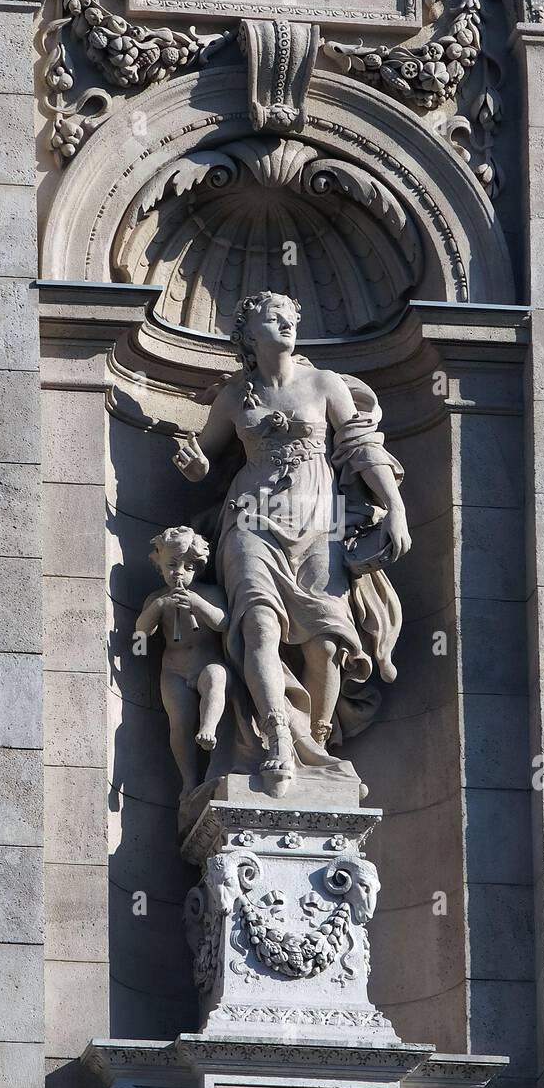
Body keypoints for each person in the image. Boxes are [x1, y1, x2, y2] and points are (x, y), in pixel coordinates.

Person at [172, 291, 410, 792]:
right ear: (247, 334)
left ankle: (317, 744)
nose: (285, 322)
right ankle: (278, 737)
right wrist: (193, 466)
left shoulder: (323, 385)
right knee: (257, 626)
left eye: (290, 316)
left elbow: (362, 448)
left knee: (326, 641)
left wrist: (398, 511)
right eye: (271, 316)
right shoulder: (235, 397)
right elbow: (205, 458)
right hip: (251, 523)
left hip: (320, 522)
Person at [135, 526, 230, 797]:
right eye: (172, 565)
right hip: (174, 670)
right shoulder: (156, 599)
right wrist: (158, 607)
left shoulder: (207, 594)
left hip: (205, 663)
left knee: (216, 677)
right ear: (159, 565)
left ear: (197, 569)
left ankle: (209, 727)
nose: (179, 572)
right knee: (179, 722)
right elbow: (140, 635)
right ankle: (189, 780)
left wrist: (198, 604)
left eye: (188, 567)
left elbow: (224, 623)